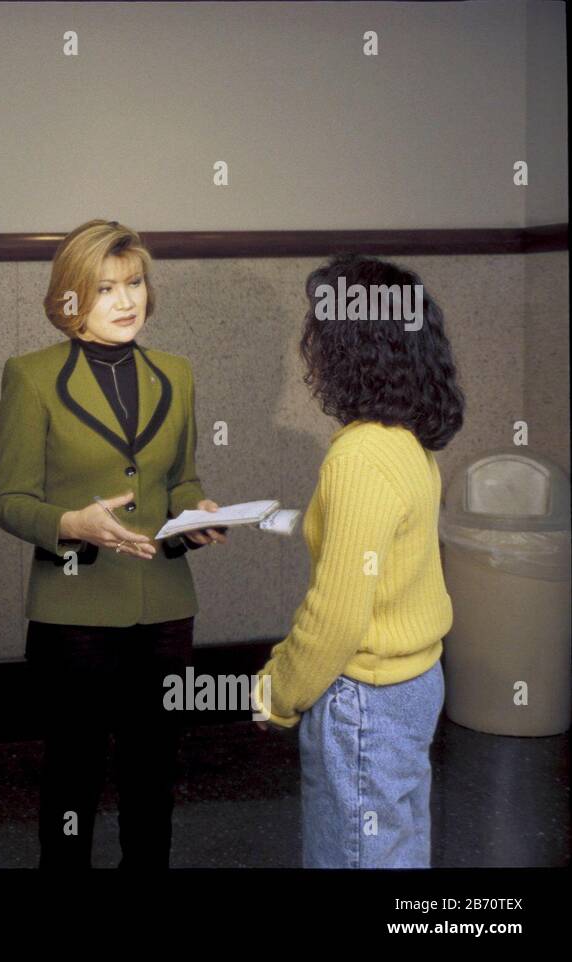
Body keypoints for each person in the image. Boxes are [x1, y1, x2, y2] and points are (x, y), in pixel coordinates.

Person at [0, 219, 227, 869]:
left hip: (165, 609)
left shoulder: (175, 374)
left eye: (135, 283)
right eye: (104, 289)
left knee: (154, 774)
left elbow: (181, 479)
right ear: (69, 298)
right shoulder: (31, 376)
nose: (127, 301)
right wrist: (73, 524)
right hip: (76, 613)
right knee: (73, 776)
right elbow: (9, 500)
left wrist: (197, 511)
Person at [253, 254, 463, 868]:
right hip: (417, 681)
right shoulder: (406, 443)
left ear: (350, 346)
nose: (309, 342)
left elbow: (338, 616)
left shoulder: (357, 456)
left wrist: (277, 692)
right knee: (395, 846)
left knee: (356, 856)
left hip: (363, 698)